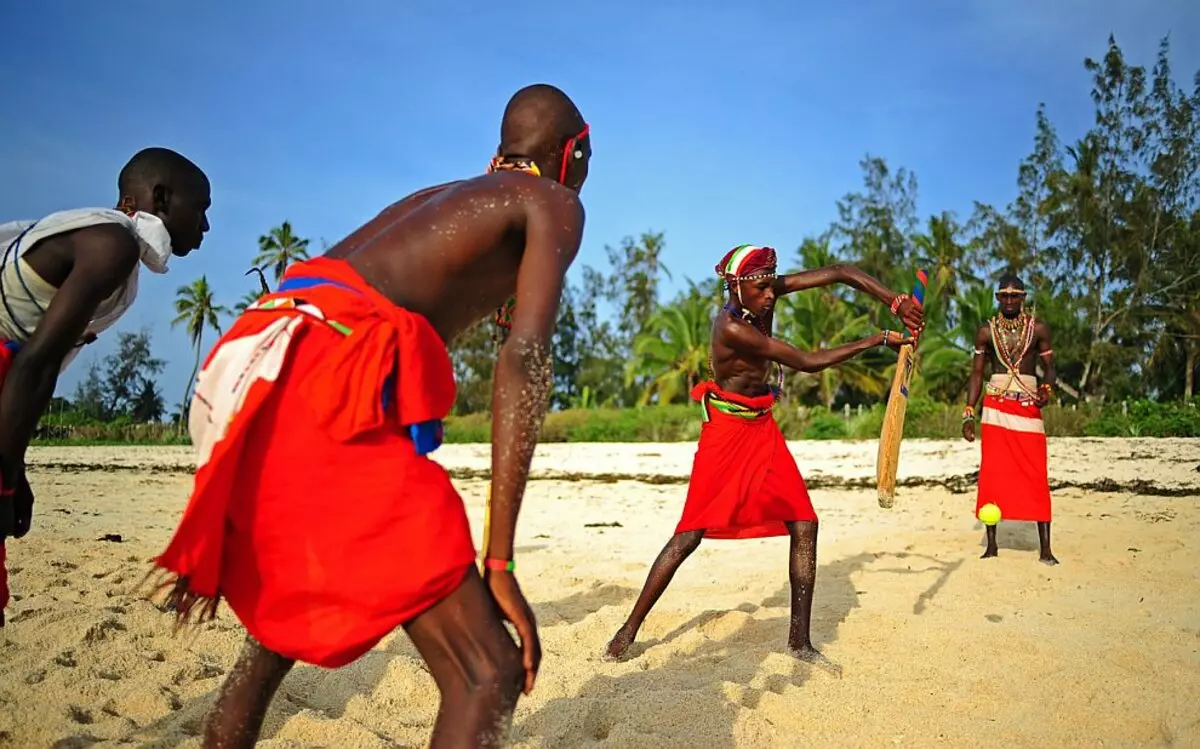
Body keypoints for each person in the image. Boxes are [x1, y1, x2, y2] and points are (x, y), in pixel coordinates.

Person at [149, 83, 591, 749]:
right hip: (324, 367)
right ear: (575, 152)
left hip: (259, 356)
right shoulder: (551, 199)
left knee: (282, 623)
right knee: (488, 670)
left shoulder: (446, 196)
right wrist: (498, 560)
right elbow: (524, 359)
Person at [604, 245, 925, 667]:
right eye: (760, 288)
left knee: (805, 523)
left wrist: (894, 301)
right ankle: (626, 633)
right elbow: (808, 363)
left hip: (762, 425)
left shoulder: (764, 293)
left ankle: (799, 643)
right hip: (726, 431)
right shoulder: (732, 327)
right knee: (689, 535)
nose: (770, 295)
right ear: (736, 287)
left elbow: (840, 271)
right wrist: (879, 338)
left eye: (773, 285)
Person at [0, 146, 210, 626]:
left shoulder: (110, 245)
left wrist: (16, 467)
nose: (205, 227)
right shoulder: (112, 245)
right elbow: (35, 364)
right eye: (200, 209)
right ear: (160, 198)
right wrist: (5, 486)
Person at [961, 272, 1058, 564]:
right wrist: (968, 412)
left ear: (1024, 298)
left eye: (1015, 295)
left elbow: (1050, 367)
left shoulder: (1038, 328)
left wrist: (1047, 388)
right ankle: (992, 545)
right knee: (993, 472)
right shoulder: (985, 332)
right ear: (997, 298)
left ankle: (1046, 549)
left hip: (1028, 405)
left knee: (1036, 471)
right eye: (1004, 295)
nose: (1010, 300)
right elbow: (977, 373)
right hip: (995, 408)